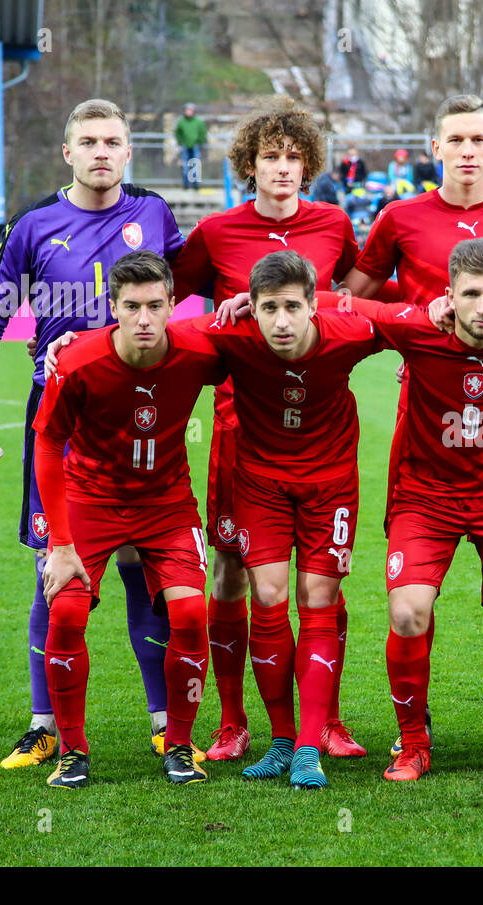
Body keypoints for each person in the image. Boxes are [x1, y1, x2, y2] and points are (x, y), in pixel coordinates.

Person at [0, 98, 188, 771]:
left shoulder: (154, 215)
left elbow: (189, 291)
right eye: (88, 141)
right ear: (68, 152)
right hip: (58, 417)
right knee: (53, 569)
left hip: (140, 413)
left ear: (129, 150)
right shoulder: (33, 228)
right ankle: (45, 725)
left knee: (144, 568)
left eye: (113, 140)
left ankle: (164, 721)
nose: (102, 152)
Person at [339, 94, 483, 757]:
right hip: (423, 401)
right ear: (436, 148)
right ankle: (413, 733)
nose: (465, 149)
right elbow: (357, 295)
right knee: (413, 593)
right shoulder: (401, 216)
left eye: (477, 139)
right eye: (453, 138)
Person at [170, 98, 361, 763]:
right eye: (268, 158)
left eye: (292, 157)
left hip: (320, 425)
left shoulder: (334, 224)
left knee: (321, 583)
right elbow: (168, 307)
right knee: (231, 574)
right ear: (248, 165)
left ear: (307, 164)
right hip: (238, 425)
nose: (281, 169)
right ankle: (232, 721)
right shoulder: (218, 232)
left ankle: (325, 720)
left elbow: (356, 298)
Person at [331, 237, 483, 782]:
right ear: (449, 296)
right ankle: (413, 744)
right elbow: (340, 302)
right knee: (407, 610)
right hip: (426, 497)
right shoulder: (416, 329)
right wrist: (257, 296)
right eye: (472, 294)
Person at [34, 251, 225, 789]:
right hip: (90, 502)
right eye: (132, 306)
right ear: (111, 308)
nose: (145, 319)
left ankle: (180, 746)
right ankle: (73, 750)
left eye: (156, 306)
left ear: (172, 304)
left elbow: (269, 316)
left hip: (167, 505)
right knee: (67, 613)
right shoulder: (76, 362)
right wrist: (63, 544)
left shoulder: (200, 349)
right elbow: (48, 445)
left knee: (190, 616)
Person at [174, 103, 208, 190]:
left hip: (195, 146)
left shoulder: (198, 122)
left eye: (190, 110)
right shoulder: (182, 121)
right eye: (187, 110)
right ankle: (186, 184)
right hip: (185, 146)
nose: (188, 112)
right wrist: (181, 142)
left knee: (195, 164)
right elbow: (177, 133)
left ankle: (195, 185)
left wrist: (199, 142)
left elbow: (202, 133)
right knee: (185, 165)